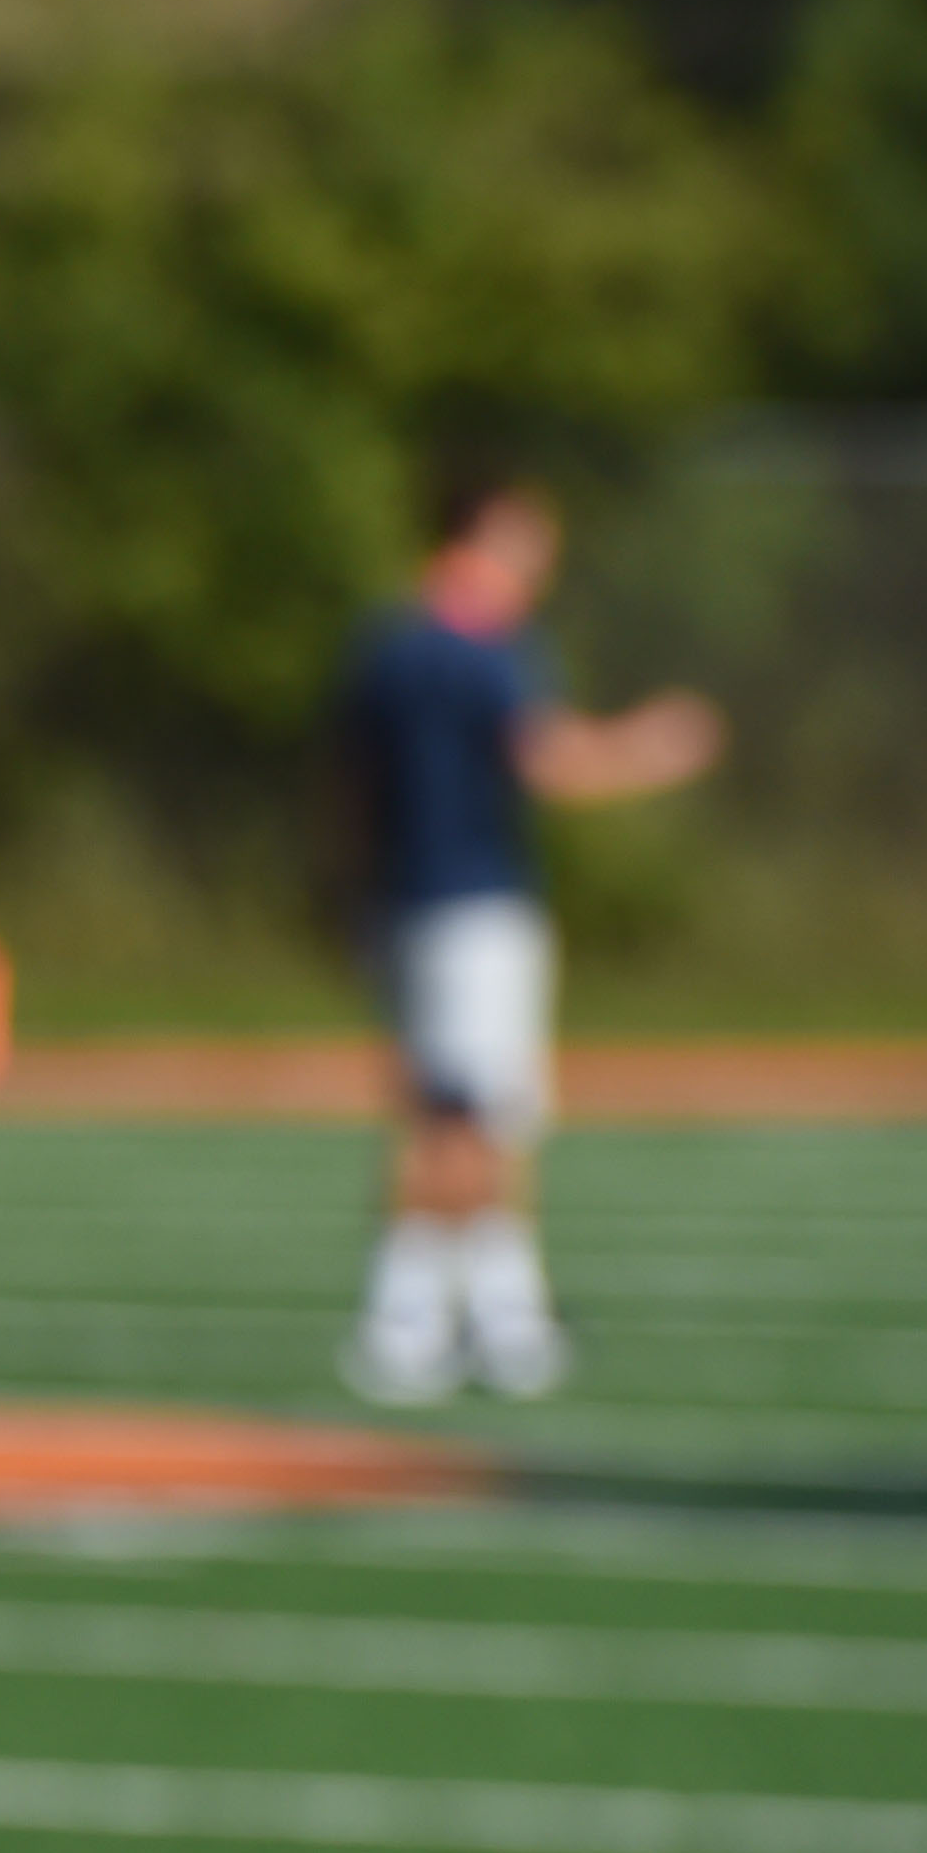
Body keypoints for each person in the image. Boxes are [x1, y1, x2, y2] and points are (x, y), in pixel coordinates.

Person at [331, 469, 723, 1404]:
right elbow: (551, 762)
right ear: (483, 536)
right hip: (479, 907)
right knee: (486, 1122)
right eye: (527, 542)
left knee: (436, 1112)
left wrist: (347, 897)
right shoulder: (488, 650)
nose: (538, 565)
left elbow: (344, 788)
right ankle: (429, 1322)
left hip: (403, 901)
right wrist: (654, 749)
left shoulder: (384, 646)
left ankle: (486, 1316)